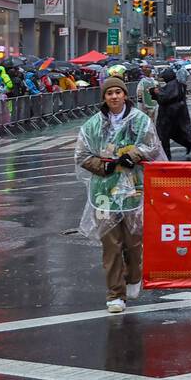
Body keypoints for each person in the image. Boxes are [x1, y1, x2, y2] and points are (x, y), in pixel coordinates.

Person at [75, 76, 166, 314]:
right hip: (103, 192)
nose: (114, 97)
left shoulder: (140, 120)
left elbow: (152, 146)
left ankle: (134, 277)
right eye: (109, 93)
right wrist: (100, 165)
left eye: (118, 92)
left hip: (133, 189)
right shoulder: (92, 125)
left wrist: (133, 155)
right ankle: (115, 293)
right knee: (111, 244)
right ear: (104, 98)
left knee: (134, 240)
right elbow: (81, 154)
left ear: (125, 94)